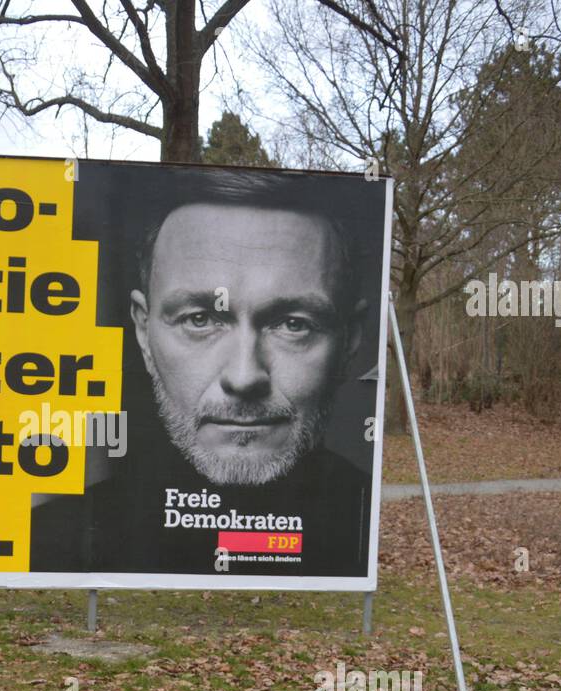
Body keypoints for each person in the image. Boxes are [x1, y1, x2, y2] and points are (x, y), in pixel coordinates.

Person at [31, 169, 376, 578]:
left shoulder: (359, 528)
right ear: (143, 331)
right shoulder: (49, 542)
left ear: (350, 339)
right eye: (199, 319)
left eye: (293, 324)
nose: (245, 377)